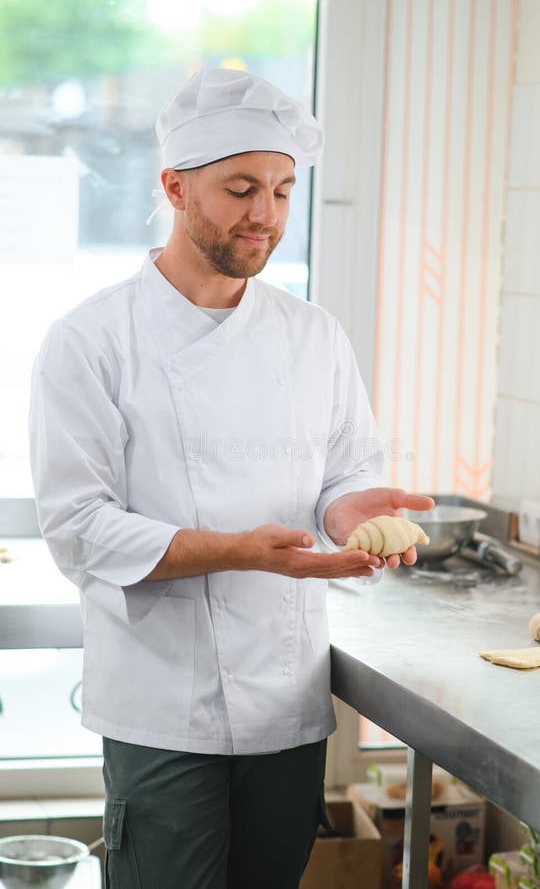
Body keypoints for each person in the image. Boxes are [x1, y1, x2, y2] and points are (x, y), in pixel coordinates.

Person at [28, 68, 434, 889]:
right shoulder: (92, 340)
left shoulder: (312, 336)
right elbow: (78, 527)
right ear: (175, 188)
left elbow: (342, 473)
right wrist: (240, 551)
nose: (266, 215)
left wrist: (351, 510)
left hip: (285, 699)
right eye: (241, 189)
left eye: (282, 191)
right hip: (160, 705)